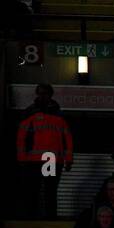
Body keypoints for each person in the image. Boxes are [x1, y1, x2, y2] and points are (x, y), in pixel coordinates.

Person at [16, 84, 73, 219]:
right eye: (40, 93)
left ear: (50, 95)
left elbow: (67, 138)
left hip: (48, 159)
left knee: (49, 191)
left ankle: (50, 220)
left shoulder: (58, 114)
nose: (42, 96)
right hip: (36, 160)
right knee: (34, 191)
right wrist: (22, 159)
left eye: (45, 93)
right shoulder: (32, 112)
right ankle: (31, 219)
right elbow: (21, 137)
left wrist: (68, 159)